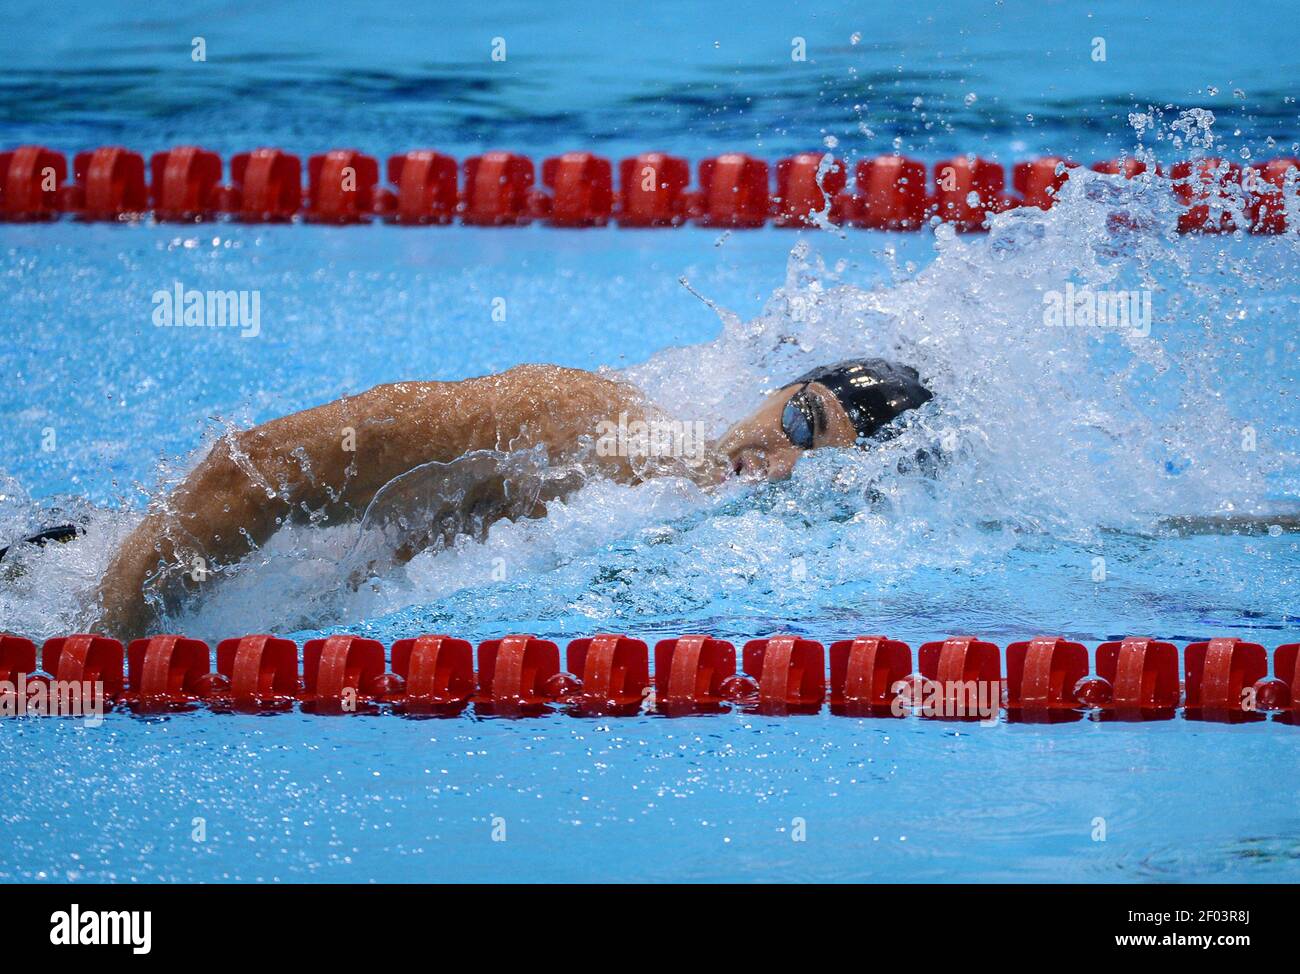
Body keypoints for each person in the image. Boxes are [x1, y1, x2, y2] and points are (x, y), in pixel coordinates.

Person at [84, 358, 932, 639]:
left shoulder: (733, 579)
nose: (779, 460)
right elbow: (256, 469)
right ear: (777, 382)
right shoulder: (584, 424)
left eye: (820, 466)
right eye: (800, 419)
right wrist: (88, 654)